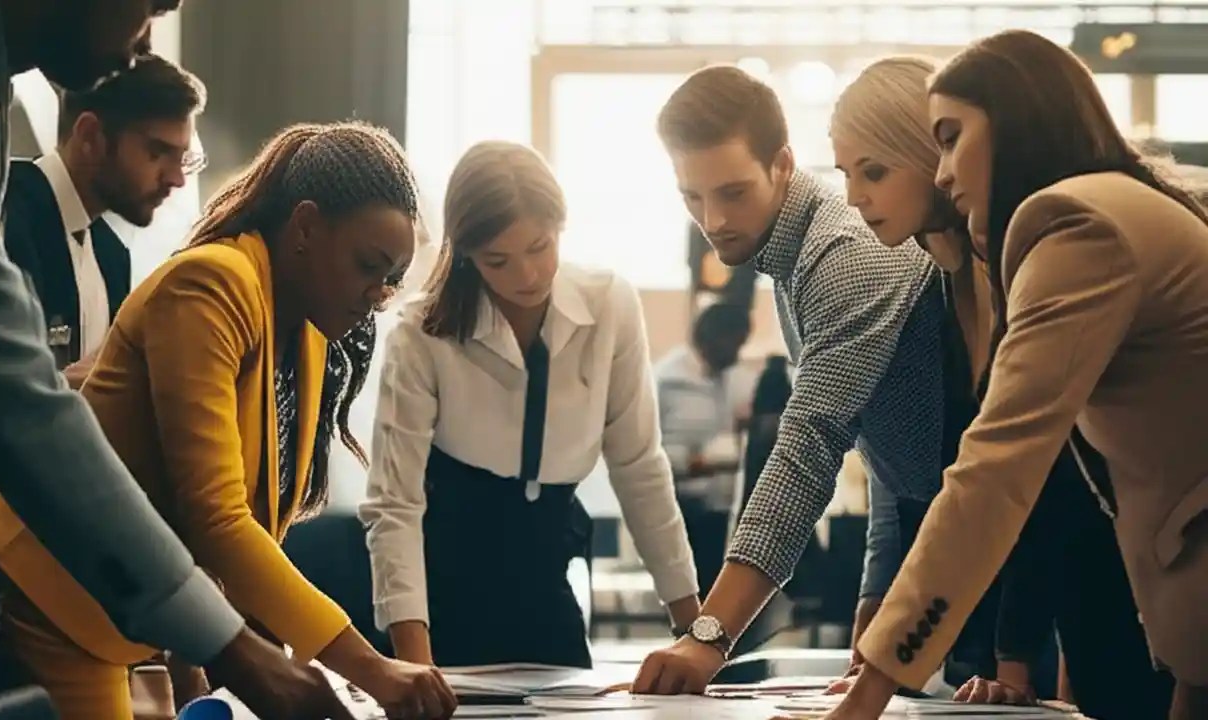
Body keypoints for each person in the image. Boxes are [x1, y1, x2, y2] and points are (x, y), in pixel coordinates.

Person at [0, 1, 354, 717]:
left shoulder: (119, 254)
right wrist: (233, 647)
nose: (144, 42)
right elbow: (18, 403)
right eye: (151, 4)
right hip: (17, 571)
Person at [0, 121, 458, 720]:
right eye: (367, 266)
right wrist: (370, 667)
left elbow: (250, 528)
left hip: (124, 606)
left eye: (391, 281)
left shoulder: (308, 329)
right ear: (304, 227)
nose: (376, 295)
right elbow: (216, 519)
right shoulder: (213, 285)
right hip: (48, 584)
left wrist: (227, 653)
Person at [834, 30, 1208, 720]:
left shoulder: (1071, 224)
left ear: (1018, 121)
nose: (942, 171)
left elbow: (997, 470)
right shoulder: (1118, 203)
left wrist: (868, 691)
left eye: (949, 138)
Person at [633, 63, 953, 695]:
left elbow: (808, 451)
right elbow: (891, 444)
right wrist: (875, 597)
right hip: (938, 540)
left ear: (782, 164)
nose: (713, 219)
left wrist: (709, 637)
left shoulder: (846, 255)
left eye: (731, 192)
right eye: (691, 197)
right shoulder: (791, 258)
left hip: (1009, 560)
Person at [360, 140, 701, 669]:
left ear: (561, 227)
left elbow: (639, 468)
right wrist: (415, 666)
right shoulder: (421, 333)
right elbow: (394, 505)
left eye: (540, 247)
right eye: (499, 260)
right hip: (444, 585)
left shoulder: (608, 304)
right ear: (467, 255)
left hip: (547, 571)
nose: (527, 276)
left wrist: (694, 631)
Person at [6, 54, 206, 387]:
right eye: (157, 153)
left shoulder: (113, 255)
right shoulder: (1, 214)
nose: (177, 179)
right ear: (89, 137)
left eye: (183, 159)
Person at [655, 302, 755, 601]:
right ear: (709, 339)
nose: (737, 353)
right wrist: (703, 462)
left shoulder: (734, 377)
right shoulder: (665, 382)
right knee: (694, 597)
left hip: (725, 510)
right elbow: (647, 455)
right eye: (732, 344)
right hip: (684, 510)